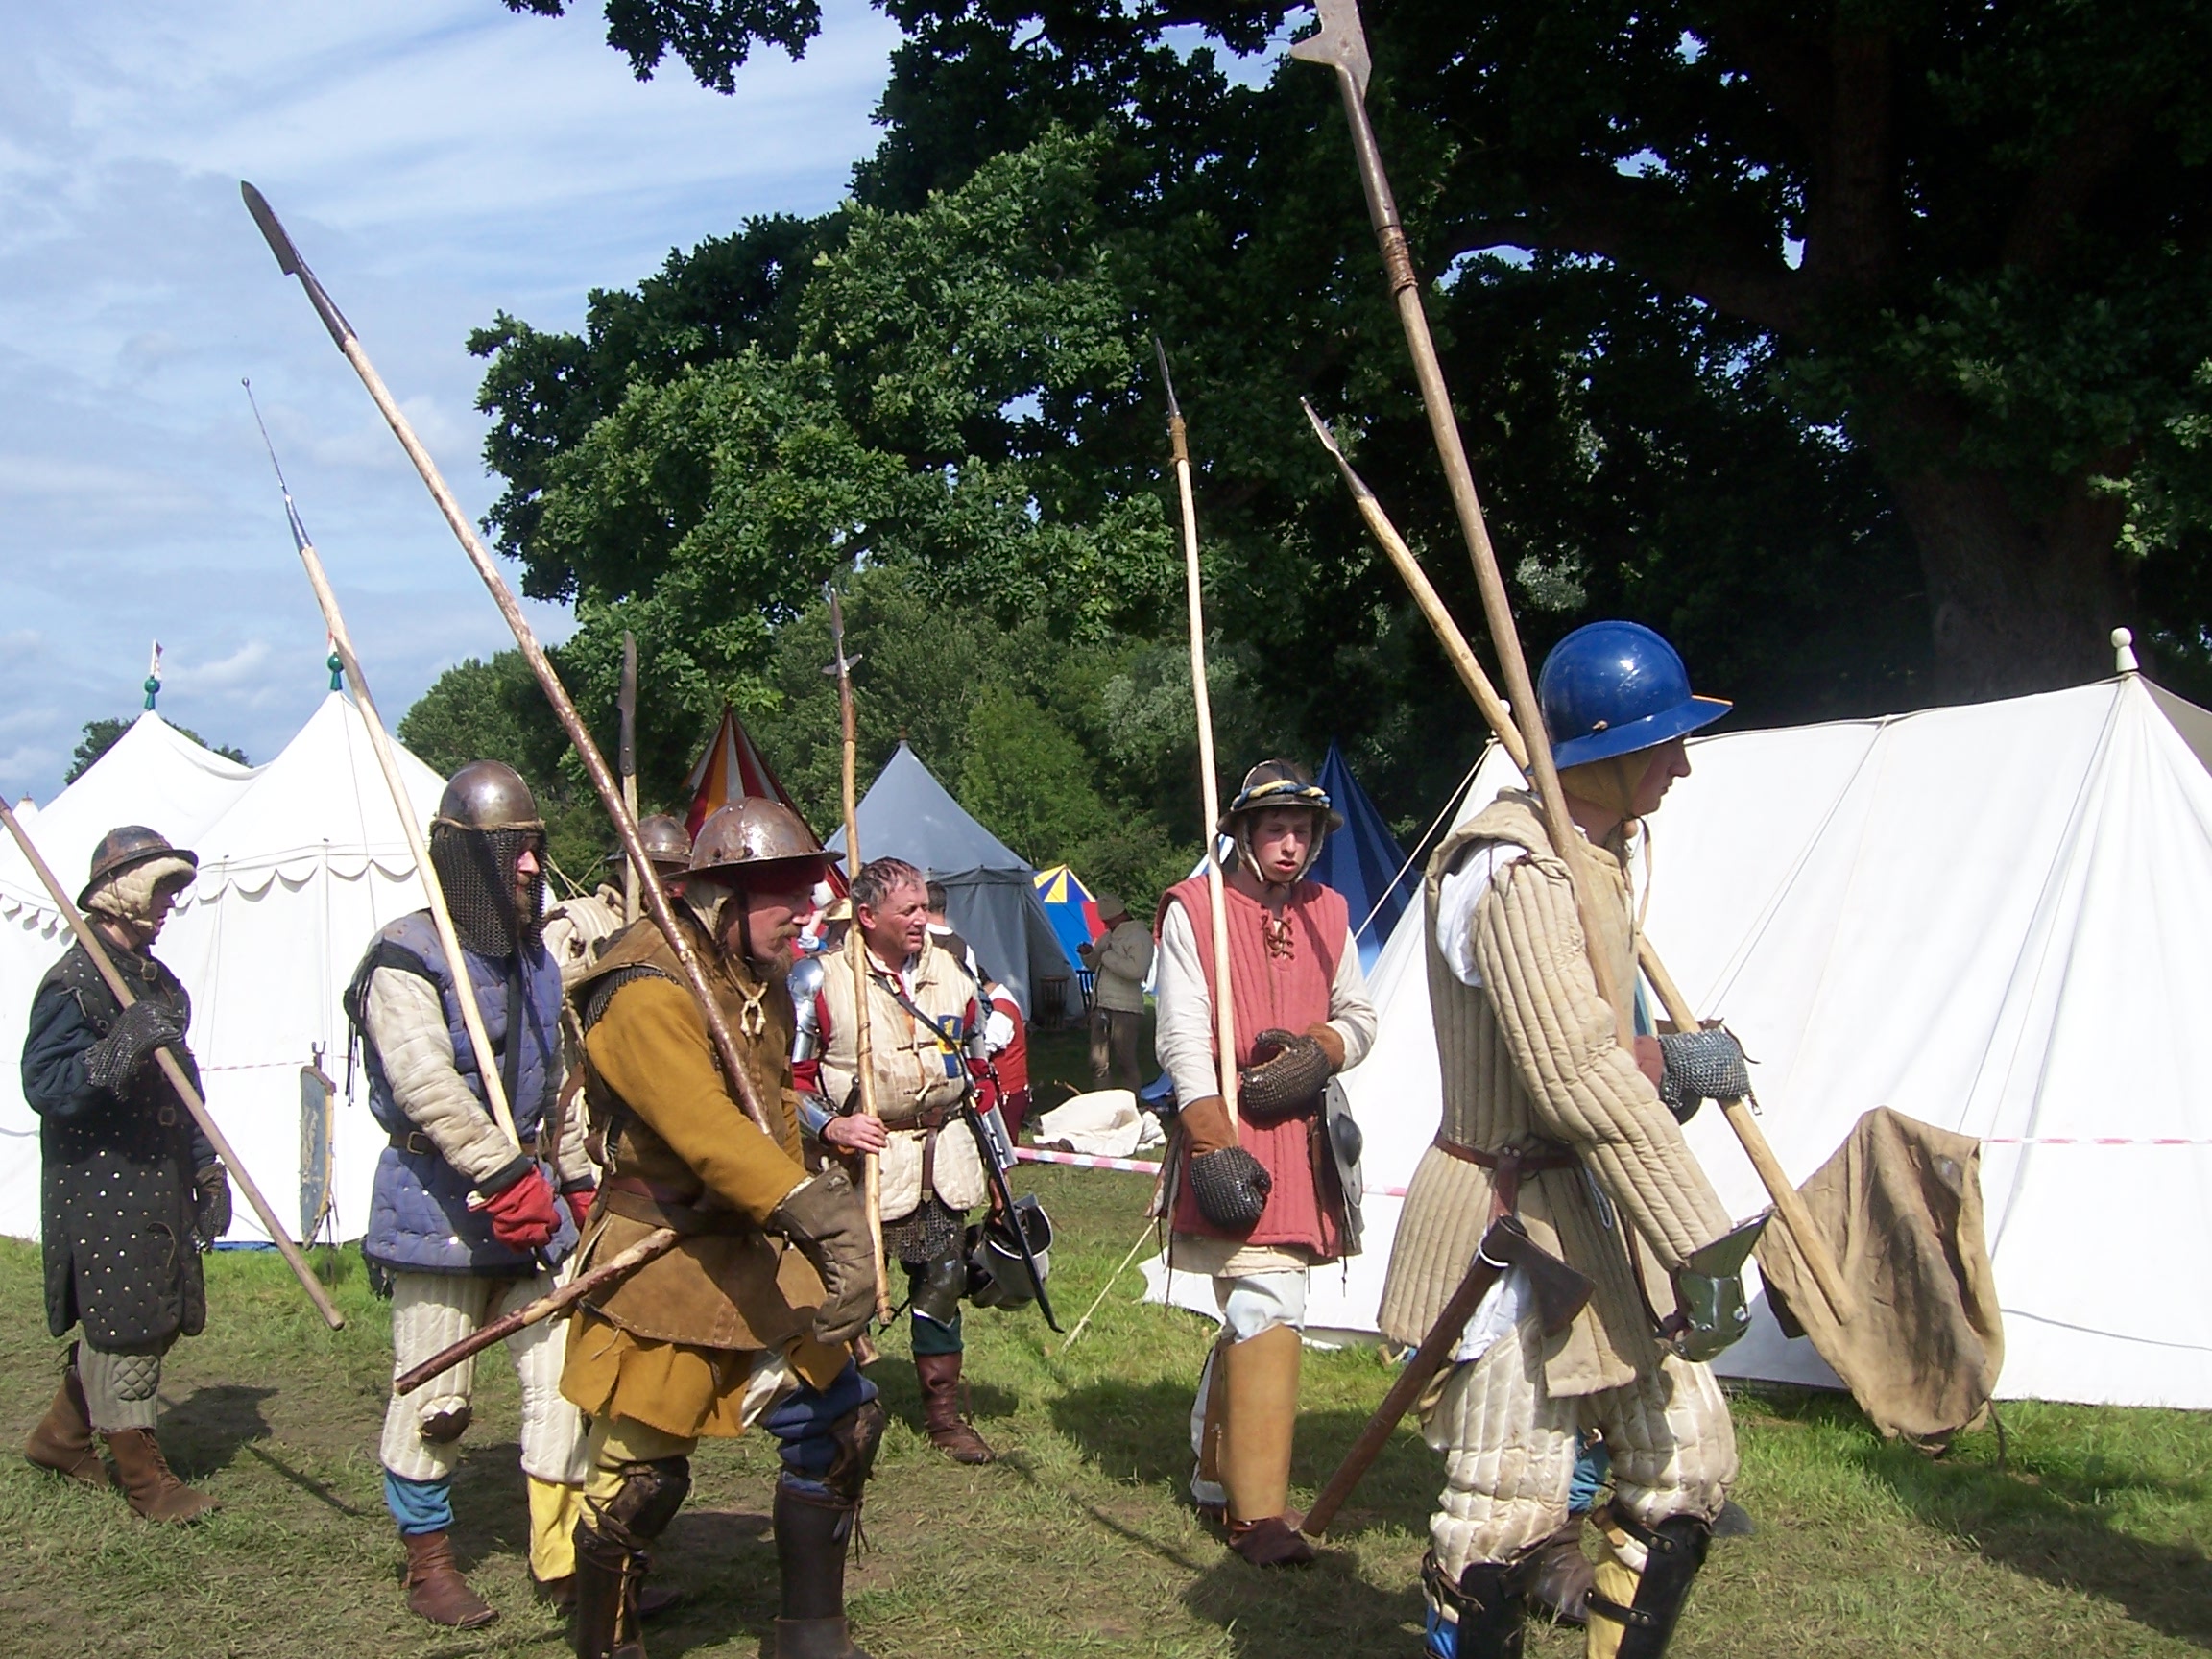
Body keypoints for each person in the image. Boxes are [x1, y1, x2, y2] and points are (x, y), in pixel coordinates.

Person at [1376, 620, 1748, 1659]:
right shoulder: (1514, 870)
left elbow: (1602, 1047)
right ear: (1606, 751)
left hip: (1595, 1213)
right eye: (1664, 742)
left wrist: (1666, 1059)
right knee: (1509, 1503)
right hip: (1512, 1225)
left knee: (1686, 1473)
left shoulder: (1589, 855)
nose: (1681, 761)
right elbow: (1574, 1073)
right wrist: (1700, 1235)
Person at [564, 798, 880, 1659]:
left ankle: (809, 1638)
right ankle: (607, 1646)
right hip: (660, 1259)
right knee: (641, 1485)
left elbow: (772, 1104)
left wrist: (808, 1198)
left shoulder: (754, 977)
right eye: (787, 898)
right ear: (725, 899)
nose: (805, 917)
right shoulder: (642, 988)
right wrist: (817, 1214)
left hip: (750, 1243)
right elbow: (703, 1127)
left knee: (842, 1423)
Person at [346, 761, 601, 1628]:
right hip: (440, 1208)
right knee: (436, 1402)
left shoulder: (534, 957)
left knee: (567, 1380)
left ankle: (563, 1560)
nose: (533, 866)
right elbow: (426, 1084)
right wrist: (503, 1174)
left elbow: (553, 1085)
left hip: (534, 1210)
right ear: (465, 860)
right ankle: (429, 1564)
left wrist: (574, 1182)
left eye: (534, 849)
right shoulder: (405, 956)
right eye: (512, 851)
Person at [1156, 761, 1377, 1566]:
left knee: (1266, 1304)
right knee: (1267, 1306)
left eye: (1303, 830)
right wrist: (1213, 1140)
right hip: (1231, 1131)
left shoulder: (1331, 910)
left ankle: (1219, 1480)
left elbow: (1359, 1013)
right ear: (1244, 833)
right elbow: (1181, 1038)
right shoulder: (1194, 911)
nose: (1291, 845)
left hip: (1305, 1138)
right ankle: (1259, 1517)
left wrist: (1322, 1051)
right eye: (1275, 828)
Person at [20, 826, 229, 1522]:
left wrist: (206, 1168)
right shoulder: (74, 981)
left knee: (152, 1313)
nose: (169, 903)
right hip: (101, 1181)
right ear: (120, 892)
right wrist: (117, 1050)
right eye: (160, 888)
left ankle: (60, 1437)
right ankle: (147, 1483)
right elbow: (45, 1084)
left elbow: (181, 1084)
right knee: (127, 1321)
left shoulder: (156, 981)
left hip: (157, 1174)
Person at [794, 856, 998, 1464]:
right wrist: (833, 1123)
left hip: (940, 1153)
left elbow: (980, 1061)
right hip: (860, 1166)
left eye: (922, 906)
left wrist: (992, 1147)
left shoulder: (954, 972)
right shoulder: (821, 979)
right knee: (847, 1288)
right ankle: (837, 1411)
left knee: (942, 1281)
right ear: (866, 916)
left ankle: (943, 1416)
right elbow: (790, 1081)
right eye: (906, 910)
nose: (920, 919)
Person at [1081, 894, 1153, 1095]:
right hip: (1102, 1004)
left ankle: (1131, 1102)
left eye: (1108, 921)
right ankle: (1104, 1103)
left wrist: (1107, 955)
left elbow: (1136, 971)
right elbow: (1095, 965)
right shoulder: (1107, 937)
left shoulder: (1139, 936)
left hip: (1126, 1008)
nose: (1105, 925)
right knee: (1098, 1061)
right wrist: (1089, 954)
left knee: (1125, 1060)